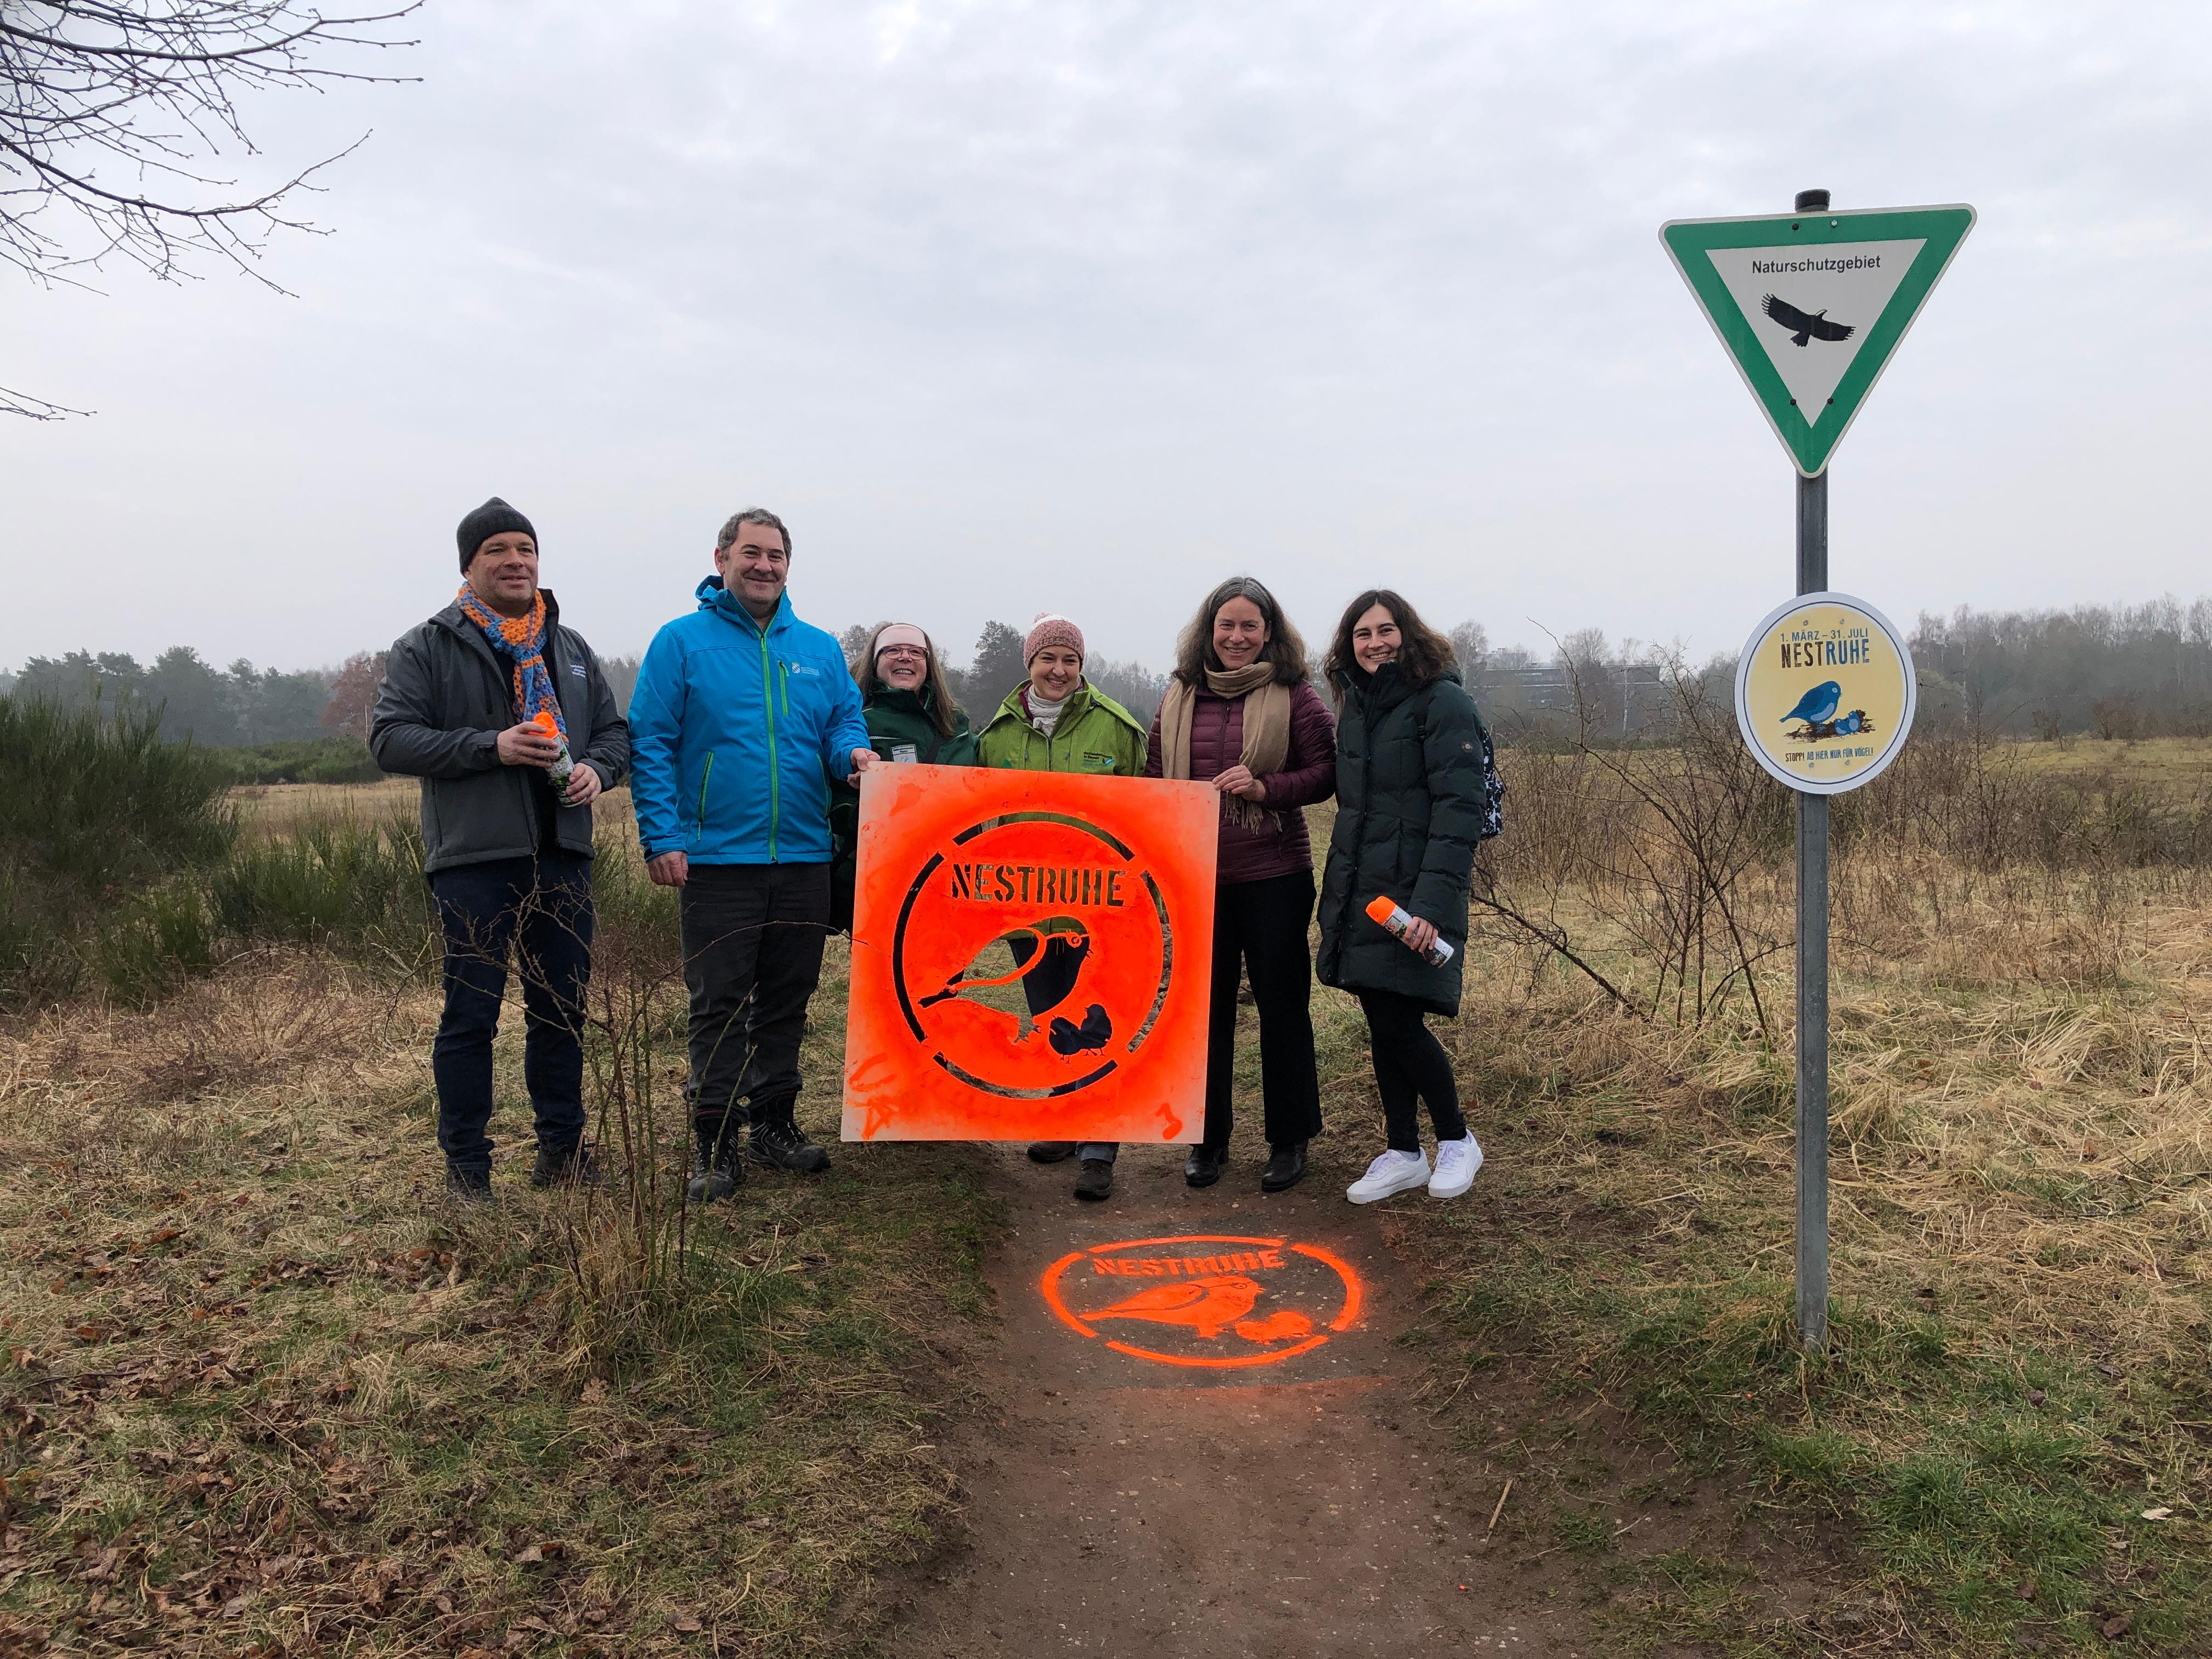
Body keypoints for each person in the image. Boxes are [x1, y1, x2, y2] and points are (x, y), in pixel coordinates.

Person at [370, 497, 630, 1200]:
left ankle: (563, 1154)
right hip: (476, 862)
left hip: (563, 855)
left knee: (563, 1010)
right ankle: (468, 1172)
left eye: (526, 549)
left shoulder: (570, 648)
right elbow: (390, 739)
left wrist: (596, 771)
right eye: (498, 551)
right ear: (469, 565)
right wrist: (492, 745)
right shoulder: (427, 645)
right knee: (471, 1017)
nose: (516, 561)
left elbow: (615, 734)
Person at [628, 507, 876, 1201]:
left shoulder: (820, 648)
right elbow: (650, 742)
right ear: (721, 559)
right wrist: (663, 837)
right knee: (718, 1006)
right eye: (751, 553)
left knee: (788, 1002)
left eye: (776, 556)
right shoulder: (681, 644)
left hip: (802, 857)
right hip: (714, 861)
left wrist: (850, 755)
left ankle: (775, 1124)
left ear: (788, 567)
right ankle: (714, 1141)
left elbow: (841, 723)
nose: (763, 566)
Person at [1146, 577, 1336, 1194]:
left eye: (1250, 626)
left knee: (1284, 1009)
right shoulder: (1178, 695)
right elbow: (1154, 776)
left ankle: (1290, 1139)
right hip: (1196, 878)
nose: (1236, 636)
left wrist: (1264, 789)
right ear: (1209, 630)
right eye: (1226, 625)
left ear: (1269, 633)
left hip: (1276, 874)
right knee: (1204, 1012)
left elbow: (1324, 775)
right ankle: (1208, 1140)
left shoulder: (1297, 695)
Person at [1315, 589, 1491, 1204]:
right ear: (1349, 645)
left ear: (1408, 633)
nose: (1375, 643)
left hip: (1416, 892)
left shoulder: (1442, 702)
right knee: (1383, 1018)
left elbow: (1459, 810)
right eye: (1362, 634)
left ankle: (1457, 1139)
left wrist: (1431, 907)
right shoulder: (1358, 708)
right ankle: (1402, 1151)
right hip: (1365, 891)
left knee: (1399, 1022)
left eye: (1385, 630)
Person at [975, 612, 1149, 1200]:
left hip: (1097, 906)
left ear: (1082, 667)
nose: (1059, 670)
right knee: (1052, 1013)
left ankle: (1100, 1146)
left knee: (1101, 1021)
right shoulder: (995, 735)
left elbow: (1144, 816)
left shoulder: (1117, 730)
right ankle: (1064, 1118)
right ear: (1030, 665)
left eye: (1069, 660)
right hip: (1027, 905)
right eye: (1048, 659)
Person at [828, 622, 981, 933]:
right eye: (893, 650)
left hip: (947, 879)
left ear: (929, 664)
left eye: (916, 652)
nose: (905, 658)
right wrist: (866, 802)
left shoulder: (957, 725)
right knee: (882, 975)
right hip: (879, 883)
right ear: (875, 662)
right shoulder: (855, 725)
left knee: (945, 976)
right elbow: (834, 806)